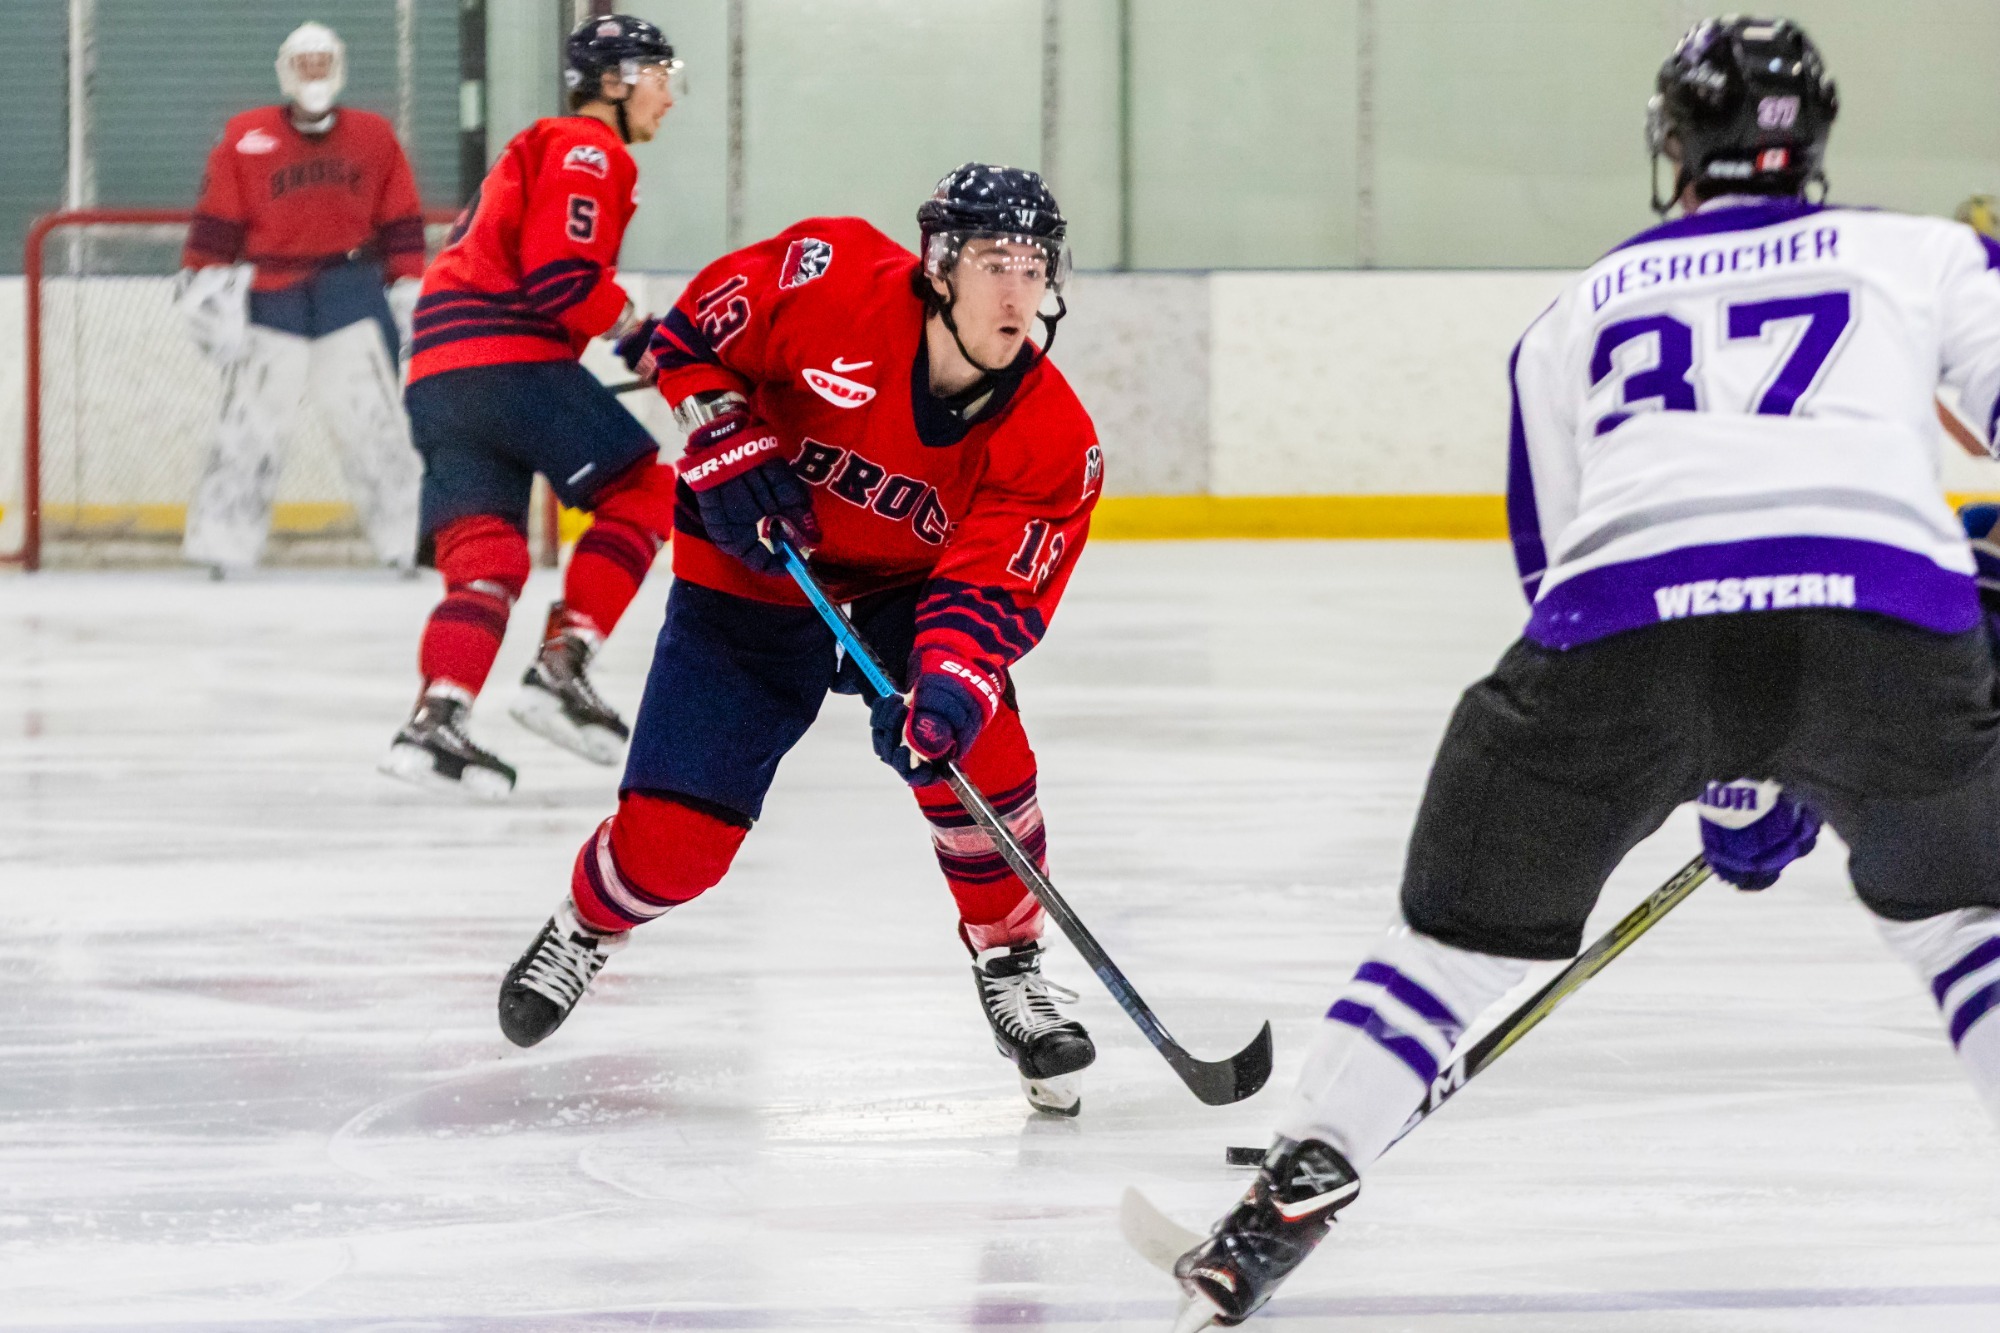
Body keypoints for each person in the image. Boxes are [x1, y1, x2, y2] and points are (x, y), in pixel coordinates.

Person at [1166, 17, 2000, 1330]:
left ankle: (1291, 1192)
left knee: (1447, 946)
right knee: (1967, 929)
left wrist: (1725, 770)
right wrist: (1786, 751)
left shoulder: (1575, 312)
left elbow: (1559, 570)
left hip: (1623, 630)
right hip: (1881, 616)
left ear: (1672, 141)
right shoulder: (1927, 253)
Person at [490, 164, 1108, 1117]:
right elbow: (690, 338)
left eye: (1035, 267)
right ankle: (590, 921)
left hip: (909, 584)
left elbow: (989, 589)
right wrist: (725, 433)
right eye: (995, 263)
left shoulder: (1054, 436)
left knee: (971, 746)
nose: (1017, 291)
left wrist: (946, 683)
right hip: (756, 556)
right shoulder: (833, 279)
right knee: (677, 845)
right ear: (940, 265)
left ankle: (1012, 964)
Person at [379, 15, 683, 799]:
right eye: (658, 76)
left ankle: (437, 719)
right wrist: (647, 344)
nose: (668, 96)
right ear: (614, 81)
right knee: (646, 490)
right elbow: (562, 278)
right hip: (506, 359)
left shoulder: (545, 146)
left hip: (440, 375)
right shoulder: (589, 147)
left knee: (489, 561)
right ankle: (562, 665)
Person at [176, 21, 425, 575]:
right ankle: (222, 545)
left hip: (351, 289)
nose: (314, 73)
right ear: (286, 72)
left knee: (376, 424)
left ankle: (407, 541)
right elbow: (216, 222)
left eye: (323, 62)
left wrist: (409, 285)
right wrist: (206, 283)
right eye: (304, 63)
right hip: (272, 293)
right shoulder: (245, 136)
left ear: (338, 68)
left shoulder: (374, 136)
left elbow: (401, 220)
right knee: (250, 427)